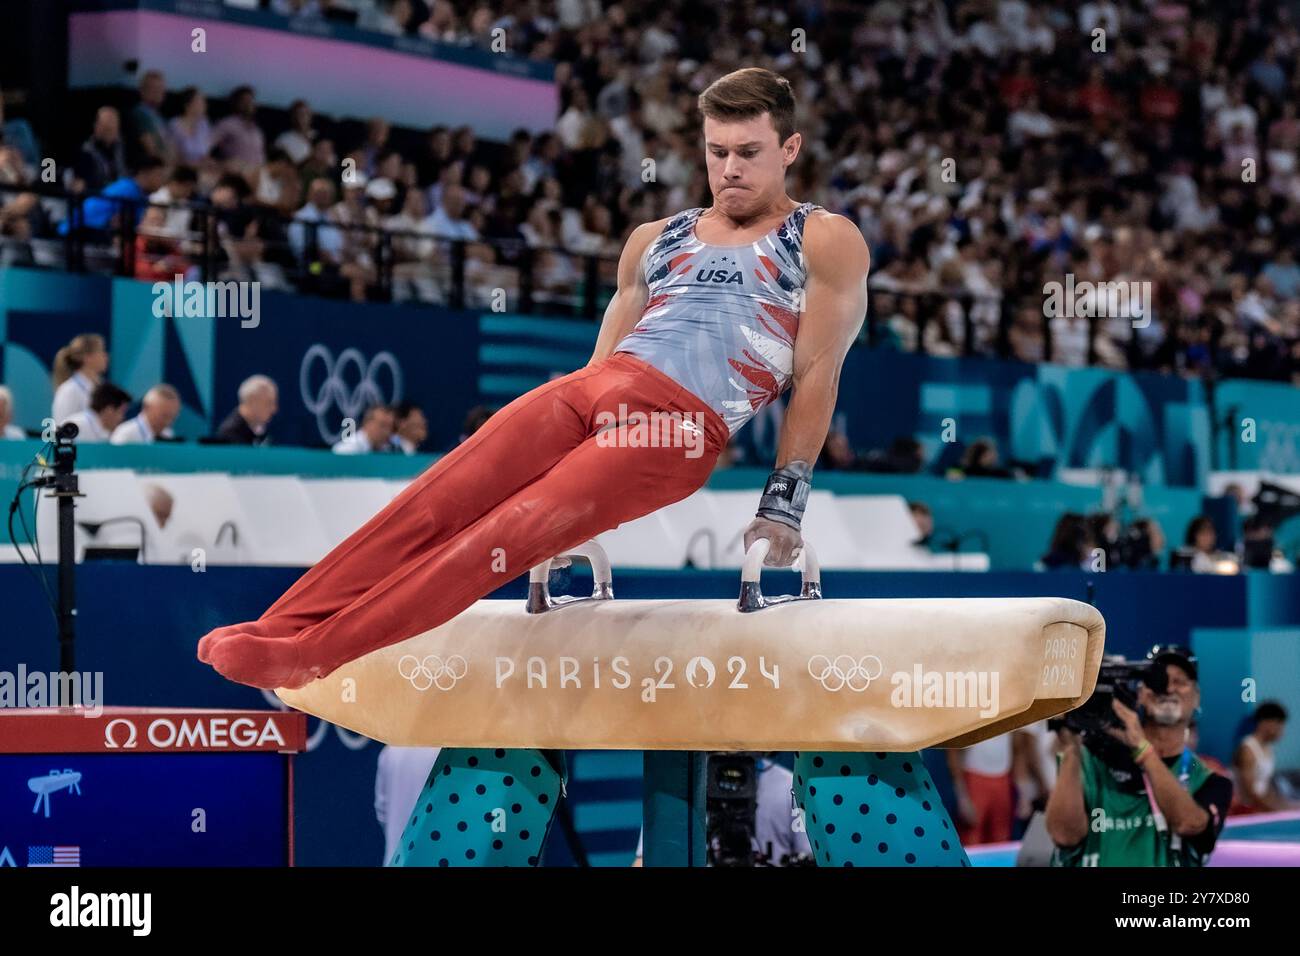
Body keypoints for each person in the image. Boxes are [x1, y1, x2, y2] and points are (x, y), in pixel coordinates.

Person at [198, 67, 870, 698]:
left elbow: (817, 374)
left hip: (683, 427)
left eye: (748, 152)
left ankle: (319, 652)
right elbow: (605, 360)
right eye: (716, 150)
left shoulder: (821, 239)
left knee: (506, 532)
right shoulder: (654, 238)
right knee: (435, 502)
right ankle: (281, 626)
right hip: (596, 389)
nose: (728, 168)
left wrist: (783, 505)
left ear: (789, 149)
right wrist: (587, 408)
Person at [1045, 646, 1233, 866]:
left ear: (1197, 698)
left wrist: (1141, 747)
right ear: (1141, 694)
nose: (1168, 689)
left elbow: (1189, 825)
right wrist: (1071, 747)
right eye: (1158, 682)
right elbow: (1064, 835)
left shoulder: (1211, 782)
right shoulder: (1088, 762)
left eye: (1180, 682)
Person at [1232, 702, 1296, 812]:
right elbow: (1249, 792)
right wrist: (1274, 809)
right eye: (1279, 726)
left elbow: (1265, 787)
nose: (1282, 732)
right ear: (1266, 723)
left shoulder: (1268, 749)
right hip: (1246, 808)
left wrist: (1283, 804)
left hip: (1261, 805)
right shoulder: (1247, 749)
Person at [51, 333, 110, 424]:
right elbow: (62, 428)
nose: (106, 356)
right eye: (101, 351)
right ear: (87, 358)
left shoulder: (102, 387)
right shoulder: (69, 391)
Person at [214, 375, 278, 445]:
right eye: (269, 402)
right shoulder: (229, 435)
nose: (274, 409)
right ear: (252, 401)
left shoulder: (259, 432)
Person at [110, 384, 180, 444]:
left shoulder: (168, 434)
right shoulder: (125, 434)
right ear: (146, 408)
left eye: (172, 417)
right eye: (164, 416)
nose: (168, 422)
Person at [64, 383, 132, 444]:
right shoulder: (76, 426)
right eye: (121, 412)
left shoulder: (105, 433)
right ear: (109, 411)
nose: (122, 418)